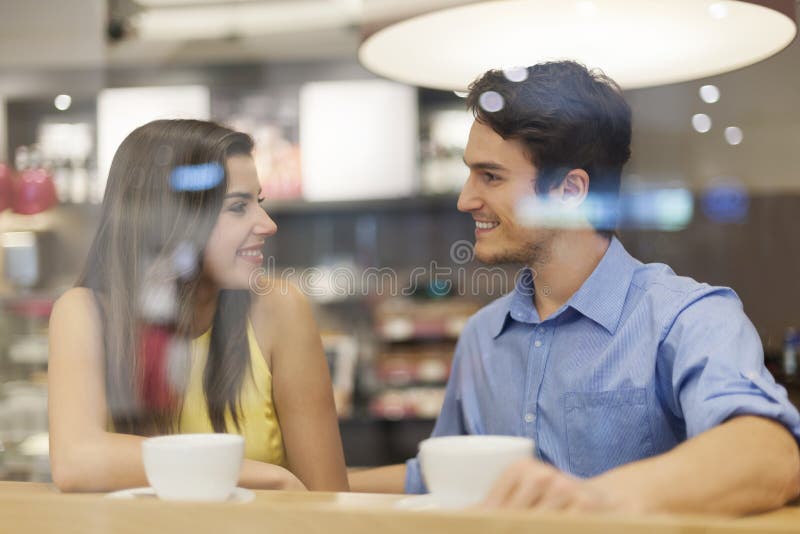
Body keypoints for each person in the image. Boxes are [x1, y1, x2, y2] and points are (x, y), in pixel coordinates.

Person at [349, 61, 800, 515]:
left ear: (569, 191)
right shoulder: (481, 337)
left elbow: (770, 454)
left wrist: (593, 500)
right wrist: (310, 483)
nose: (466, 199)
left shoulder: (687, 319)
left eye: (490, 176)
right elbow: (437, 477)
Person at [48, 119, 349, 493]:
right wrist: (268, 475)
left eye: (259, 202)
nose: (267, 224)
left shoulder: (280, 309)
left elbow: (327, 497)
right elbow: (78, 460)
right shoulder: (84, 313)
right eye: (238, 206)